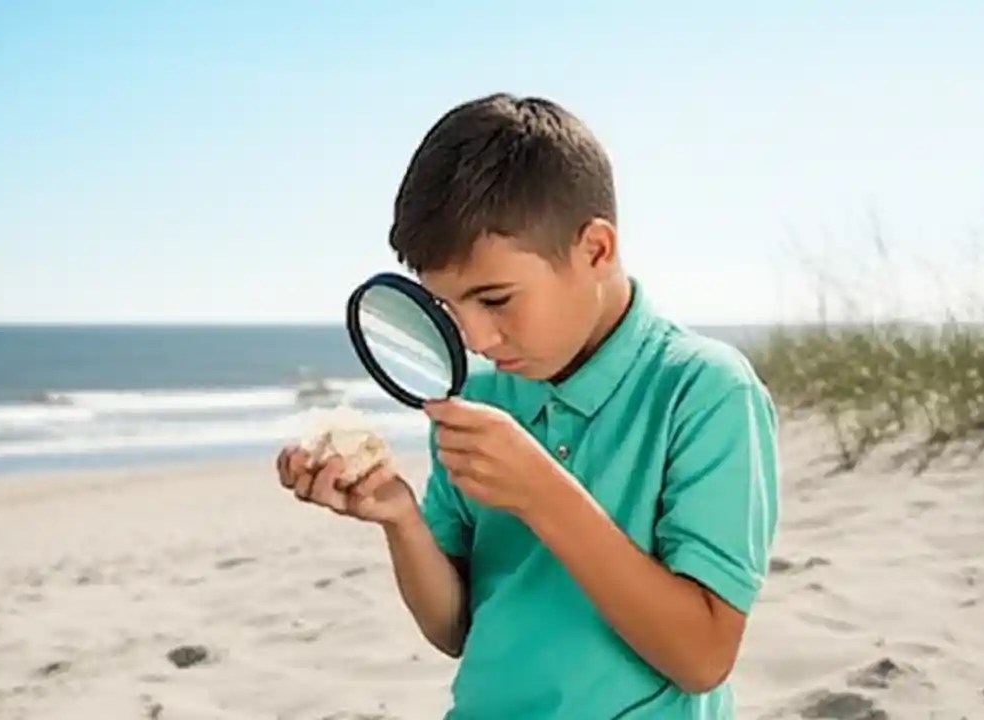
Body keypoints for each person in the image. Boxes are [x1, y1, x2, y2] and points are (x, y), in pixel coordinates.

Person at [275, 92, 780, 719]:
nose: (478, 340)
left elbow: (703, 657)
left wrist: (541, 492)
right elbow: (456, 631)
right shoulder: (482, 398)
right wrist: (401, 521)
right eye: (449, 310)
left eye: (496, 299)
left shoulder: (704, 391)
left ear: (595, 250)